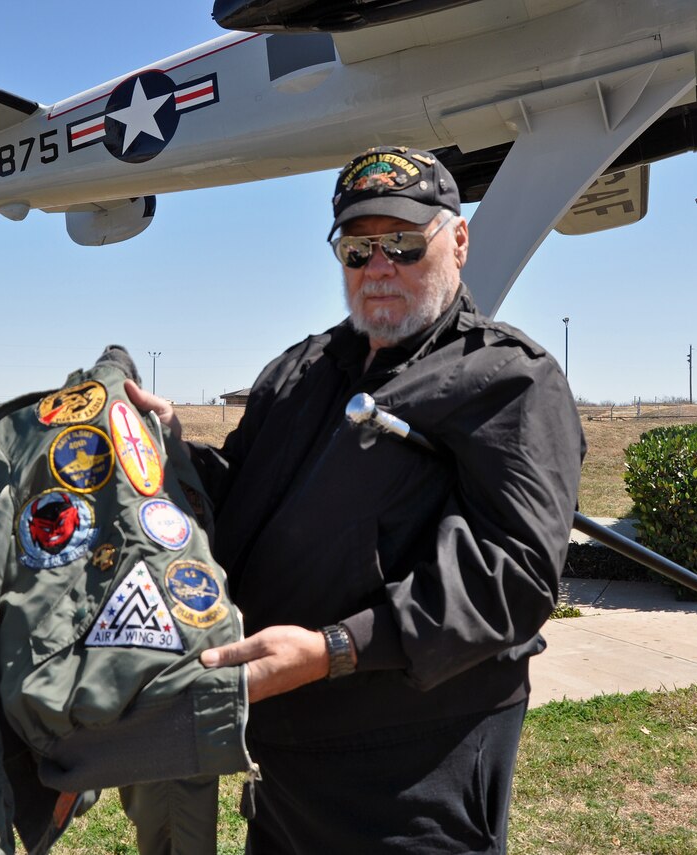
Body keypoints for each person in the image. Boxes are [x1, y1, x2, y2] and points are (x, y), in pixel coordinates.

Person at [127, 145, 584, 853]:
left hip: (411, 780)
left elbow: (514, 578)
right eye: (357, 248)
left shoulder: (508, 380)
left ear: (458, 241)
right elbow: (240, 500)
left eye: (403, 243)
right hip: (279, 769)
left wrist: (332, 648)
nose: (379, 267)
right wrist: (172, 448)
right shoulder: (300, 370)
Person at [0, 346, 253, 855]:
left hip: (59, 711)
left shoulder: (20, 437)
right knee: (179, 817)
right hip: (182, 703)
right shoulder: (167, 459)